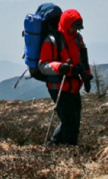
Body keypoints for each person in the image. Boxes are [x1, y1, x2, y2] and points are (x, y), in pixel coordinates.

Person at [38, 9, 92, 146]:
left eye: (78, 28)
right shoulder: (51, 40)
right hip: (58, 87)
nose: (76, 30)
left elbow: (83, 60)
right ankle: (70, 151)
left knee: (73, 120)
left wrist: (86, 77)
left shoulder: (77, 39)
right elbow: (43, 65)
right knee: (70, 120)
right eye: (74, 27)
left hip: (74, 85)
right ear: (67, 24)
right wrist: (60, 67)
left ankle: (53, 144)